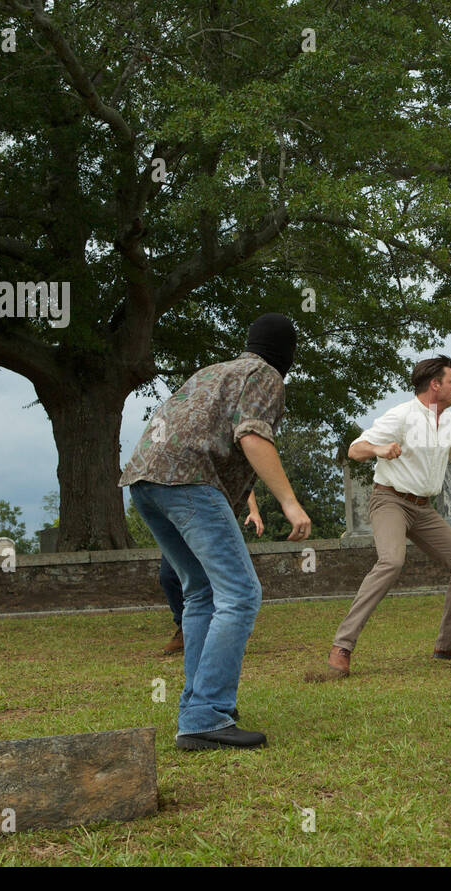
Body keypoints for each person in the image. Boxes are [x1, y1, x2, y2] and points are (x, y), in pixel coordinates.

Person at [120, 312, 311, 749]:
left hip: (145, 480)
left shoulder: (213, 371)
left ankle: (198, 707)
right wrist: (288, 501)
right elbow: (252, 436)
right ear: (287, 354)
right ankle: (206, 712)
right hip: (189, 479)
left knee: (201, 592)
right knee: (241, 593)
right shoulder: (265, 375)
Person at [316, 355, 451, 679]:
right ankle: (341, 647)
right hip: (390, 501)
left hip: (424, 509)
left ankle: (449, 644)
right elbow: (356, 449)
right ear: (435, 385)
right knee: (392, 562)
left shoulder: (449, 423)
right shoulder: (401, 416)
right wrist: (380, 450)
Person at [158, 493, 262, 655]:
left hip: (210, 520)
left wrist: (253, 510)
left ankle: (234, 633)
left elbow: (244, 477)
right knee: (168, 576)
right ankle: (184, 629)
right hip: (180, 520)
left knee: (222, 579)